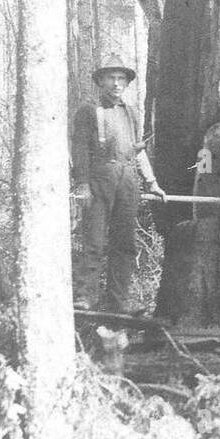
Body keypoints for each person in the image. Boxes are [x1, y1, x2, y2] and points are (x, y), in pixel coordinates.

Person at [71, 56, 165, 316]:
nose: (116, 83)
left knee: (124, 244)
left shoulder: (131, 112)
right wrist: (82, 184)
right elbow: (79, 150)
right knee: (94, 242)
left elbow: (138, 151)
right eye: (111, 77)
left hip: (127, 180)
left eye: (121, 78)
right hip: (99, 178)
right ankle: (85, 298)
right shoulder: (88, 111)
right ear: (100, 81)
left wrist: (152, 182)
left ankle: (118, 301)